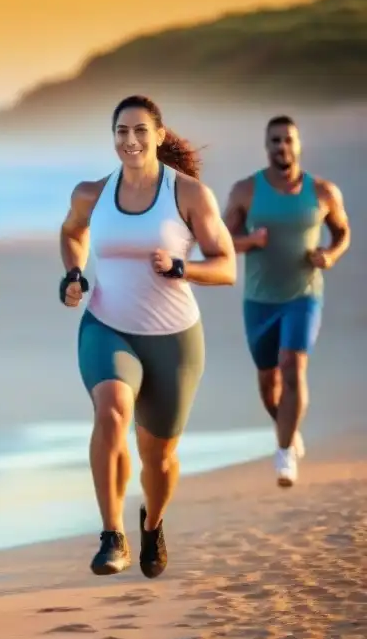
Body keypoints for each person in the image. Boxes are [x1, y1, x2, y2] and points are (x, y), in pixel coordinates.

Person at [58, 95, 236, 578]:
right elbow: (73, 233)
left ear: (158, 135)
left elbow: (227, 265)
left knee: (158, 458)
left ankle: (152, 523)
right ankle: (111, 533)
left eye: (140, 131)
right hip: (107, 327)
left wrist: (183, 267)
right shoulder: (91, 194)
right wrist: (74, 274)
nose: (130, 140)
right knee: (112, 411)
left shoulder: (189, 195)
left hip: (173, 340)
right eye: (121, 132)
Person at [223, 116, 351, 486]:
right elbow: (221, 239)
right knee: (268, 382)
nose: (282, 147)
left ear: (299, 145)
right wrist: (250, 242)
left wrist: (330, 254)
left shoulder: (324, 192)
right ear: (267, 147)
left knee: (293, 365)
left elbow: (342, 233)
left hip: (303, 295)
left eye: (288, 140)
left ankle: (283, 455)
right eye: (275, 141)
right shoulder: (246, 191)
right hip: (260, 300)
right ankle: (286, 427)